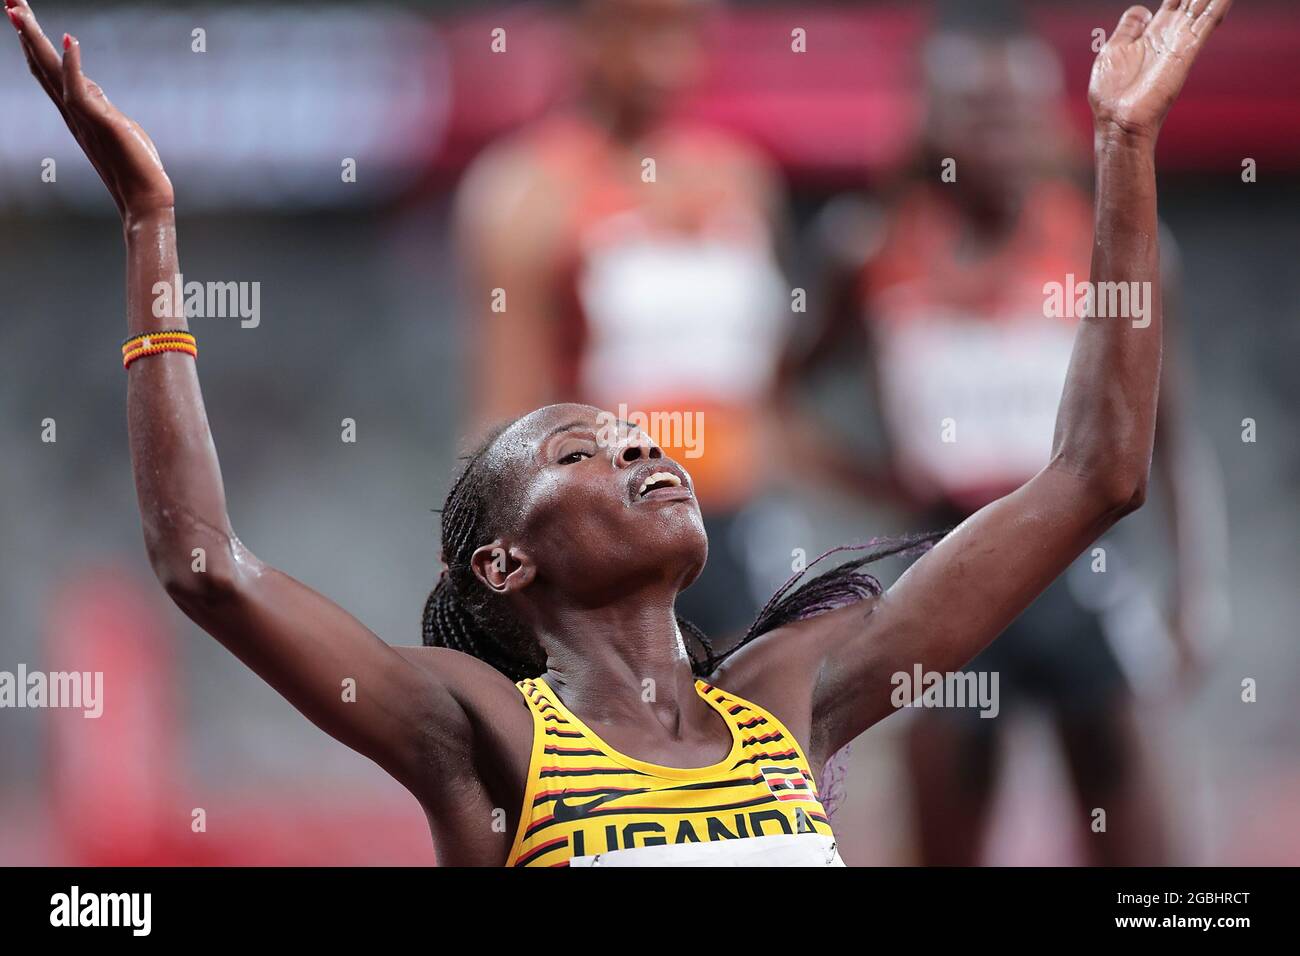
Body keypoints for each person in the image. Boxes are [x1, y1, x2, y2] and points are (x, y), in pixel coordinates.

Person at [5, 0, 1233, 866]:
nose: (643, 445)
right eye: (580, 449)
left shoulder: (795, 694)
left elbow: (1089, 476)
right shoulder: (477, 734)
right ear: (502, 562)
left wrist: (1123, 151)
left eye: (637, 434)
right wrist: (149, 229)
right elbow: (206, 566)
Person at [792, 13, 1229, 864]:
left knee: (1152, 860)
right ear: (929, 120)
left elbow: (1172, 441)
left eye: (1015, 109)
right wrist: (874, 484)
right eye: (973, 111)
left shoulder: (1115, 245)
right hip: (944, 573)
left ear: (1048, 117)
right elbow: (775, 395)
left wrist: (1195, 597)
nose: (997, 131)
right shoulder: (870, 248)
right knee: (946, 831)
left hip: (1086, 575)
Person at [455, 0, 791, 641]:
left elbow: (765, 384)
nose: (664, 58)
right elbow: (502, 407)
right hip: (609, 524)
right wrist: (479, 567)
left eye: (684, 31)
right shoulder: (525, 194)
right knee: (625, 736)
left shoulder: (740, 178)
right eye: (639, 29)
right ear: (583, 34)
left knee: (763, 733)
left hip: (738, 519)